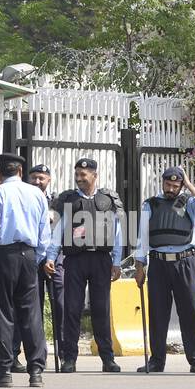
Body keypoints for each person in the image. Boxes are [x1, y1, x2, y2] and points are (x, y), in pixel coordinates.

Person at [0, 153, 50, 389]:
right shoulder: (37, 193)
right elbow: (43, 233)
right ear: (20, 171)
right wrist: (35, 257)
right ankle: (36, 371)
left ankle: (4, 370)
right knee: (31, 313)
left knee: (3, 313)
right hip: (28, 255)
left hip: (4, 255)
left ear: (0, 173)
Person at [133, 167, 195, 373]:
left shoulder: (187, 202)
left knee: (190, 312)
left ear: (181, 186)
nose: (170, 189)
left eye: (175, 186)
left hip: (184, 262)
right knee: (158, 313)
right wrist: (139, 266)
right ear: (162, 183)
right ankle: (157, 360)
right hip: (158, 263)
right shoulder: (150, 204)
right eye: (168, 185)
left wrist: (189, 185)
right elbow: (142, 237)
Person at [47, 158, 123, 373]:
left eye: (84, 175)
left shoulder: (108, 199)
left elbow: (117, 233)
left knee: (101, 309)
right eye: (77, 175)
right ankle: (69, 359)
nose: (79, 179)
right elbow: (58, 233)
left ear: (94, 175)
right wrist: (51, 257)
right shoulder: (68, 200)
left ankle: (107, 359)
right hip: (75, 260)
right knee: (72, 310)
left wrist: (116, 262)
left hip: (101, 260)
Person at [19, 163, 63, 370]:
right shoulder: (24, 200)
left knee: (61, 307)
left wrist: (51, 258)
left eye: (41, 178)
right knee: (31, 309)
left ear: (49, 180)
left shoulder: (58, 202)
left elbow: (61, 232)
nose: (37, 182)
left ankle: (64, 355)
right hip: (32, 261)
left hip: (54, 261)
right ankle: (35, 356)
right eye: (34, 177)